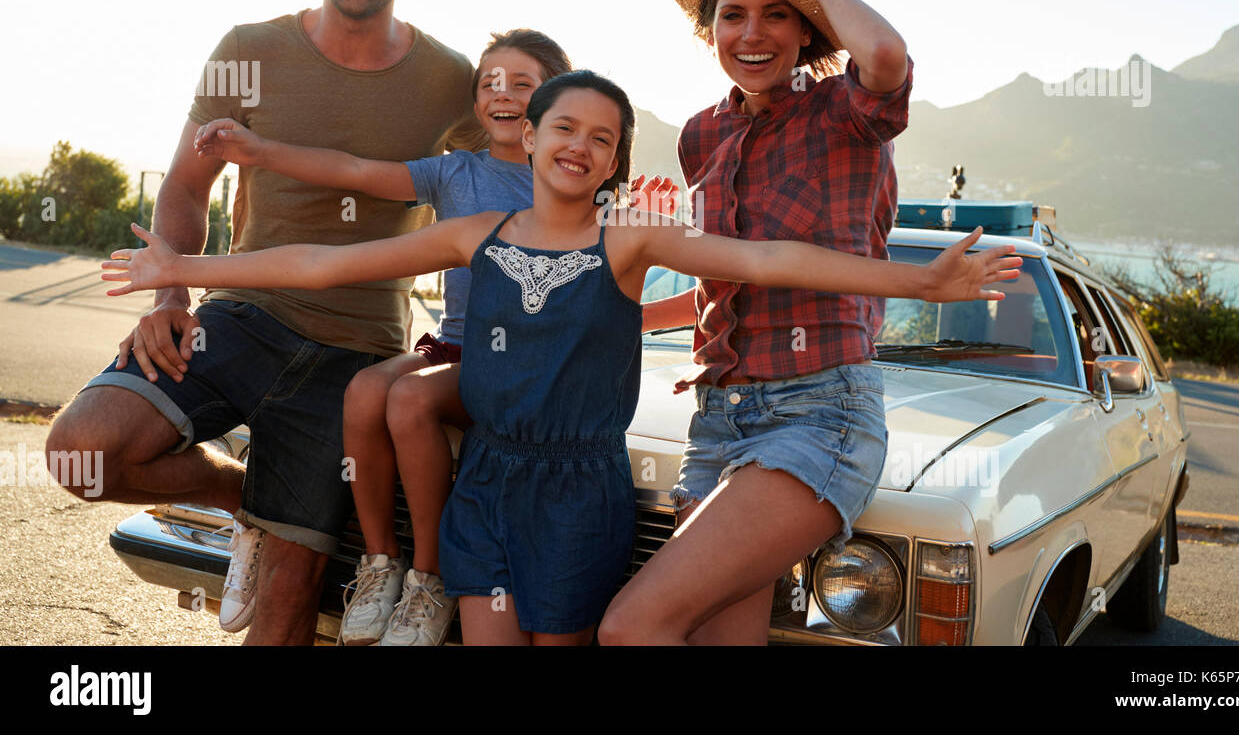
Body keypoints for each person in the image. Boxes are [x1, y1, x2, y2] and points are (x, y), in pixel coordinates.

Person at [102, 69, 1021, 645]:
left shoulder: (628, 242)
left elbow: (763, 258)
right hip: (488, 489)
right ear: (529, 136)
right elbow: (323, 260)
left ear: (616, 162)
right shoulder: (474, 234)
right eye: (565, 128)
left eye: (603, 138)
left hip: (579, 495)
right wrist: (179, 266)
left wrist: (918, 285)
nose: (580, 146)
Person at [45, 0, 477, 645]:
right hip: (243, 315)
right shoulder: (248, 48)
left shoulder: (452, 81)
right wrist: (170, 300)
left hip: (358, 356)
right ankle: (242, 494)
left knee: (279, 622)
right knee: (82, 452)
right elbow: (183, 188)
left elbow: (520, 171)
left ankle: (279, 517)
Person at [193, 31, 677, 646]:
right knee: (367, 390)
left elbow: (607, 306)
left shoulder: (581, 191)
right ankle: (382, 561)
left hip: (523, 373)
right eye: (488, 84)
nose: (502, 96)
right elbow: (356, 172)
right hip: (452, 349)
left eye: (521, 85)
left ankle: (432, 573)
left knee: (409, 400)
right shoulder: (456, 174)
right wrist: (259, 151)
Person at [600, 0, 916, 645]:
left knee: (632, 626)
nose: (753, 33)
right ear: (708, 30)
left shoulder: (843, 112)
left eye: (778, 13)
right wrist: (624, 317)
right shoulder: (699, 135)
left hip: (819, 412)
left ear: (807, 30)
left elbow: (886, 56)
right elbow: (726, 284)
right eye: (732, 15)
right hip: (717, 418)